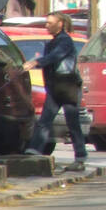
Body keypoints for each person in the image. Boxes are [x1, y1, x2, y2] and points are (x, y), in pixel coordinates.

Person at [20, 12, 87, 169]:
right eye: (46, 22)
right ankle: (34, 150)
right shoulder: (54, 41)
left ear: (60, 24)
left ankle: (80, 156)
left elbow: (56, 56)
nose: (46, 25)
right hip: (55, 87)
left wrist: (36, 62)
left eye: (50, 23)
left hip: (67, 87)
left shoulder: (64, 41)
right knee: (45, 120)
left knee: (72, 123)